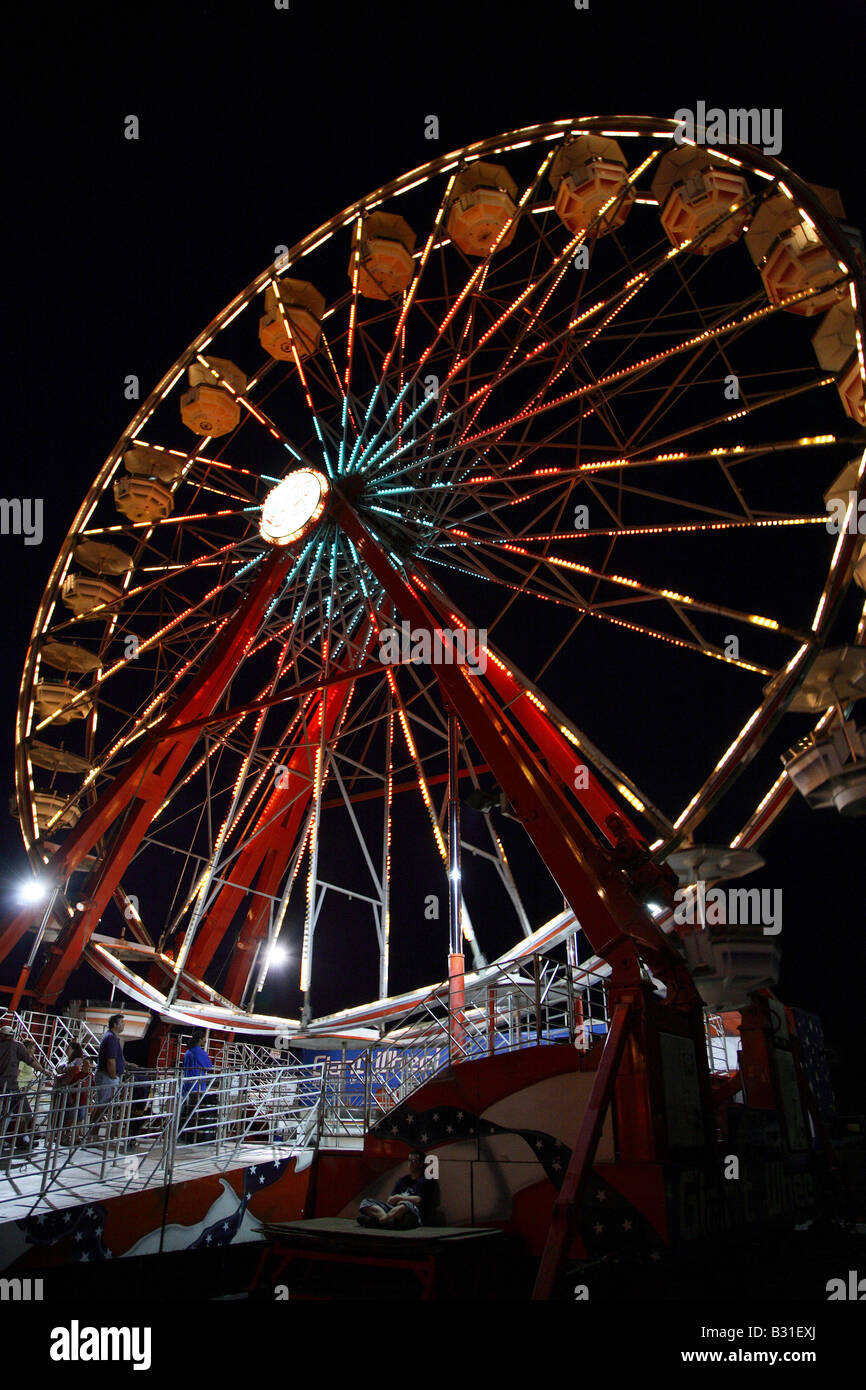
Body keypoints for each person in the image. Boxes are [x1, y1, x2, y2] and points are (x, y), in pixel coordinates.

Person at [0, 1019, 49, 1152]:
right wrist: (44, 1071)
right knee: (21, 1113)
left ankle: (13, 1139)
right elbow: (30, 1061)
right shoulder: (17, 1046)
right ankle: (23, 1140)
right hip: (12, 1086)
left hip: (3, 1086)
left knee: (7, 1115)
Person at [357, 1150, 437, 1229]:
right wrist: (393, 1199)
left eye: (413, 1161)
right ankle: (386, 1221)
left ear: (420, 1164)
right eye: (409, 1160)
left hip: (413, 1213)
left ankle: (380, 1221)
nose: (410, 1163)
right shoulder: (403, 1180)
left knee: (405, 1204)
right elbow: (390, 1199)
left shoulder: (426, 1181)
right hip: (394, 1211)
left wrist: (399, 1198)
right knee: (366, 1202)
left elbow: (418, 1200)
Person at [91, 1014, 137, 1142]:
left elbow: (115, 1058)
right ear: (115, 1024)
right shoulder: (111, 1039)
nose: (124, 1025)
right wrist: (113, 1075)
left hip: (108, 1075)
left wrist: (126, 1064)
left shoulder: (111, 1038)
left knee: (102, 1106)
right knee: (101, 1106)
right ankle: (92, 1134)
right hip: (108, 1076)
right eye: (122, 1022)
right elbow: (110, 1060)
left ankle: (93, 1134)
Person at [53, 1042, 93, 1145]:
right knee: (67, 1115)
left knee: (74, 1116)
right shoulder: (67, 1060)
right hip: (69, 1092)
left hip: (76, 1095)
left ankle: (70, 1135)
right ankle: (64, 1135)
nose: (67, 1050)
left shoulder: (79, 1066)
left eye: (69, 1048)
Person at [180, 1030, 214, 1141]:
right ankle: (189, 1136)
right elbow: (209, 1066)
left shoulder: (188, 1052)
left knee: (185, 1111)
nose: (205, 1041)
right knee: (193, 1113)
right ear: (200, 1040)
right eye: (204, 1039)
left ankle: (181, 1134)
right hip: (197, 1086)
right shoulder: (199, 1052)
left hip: (187, 1084)